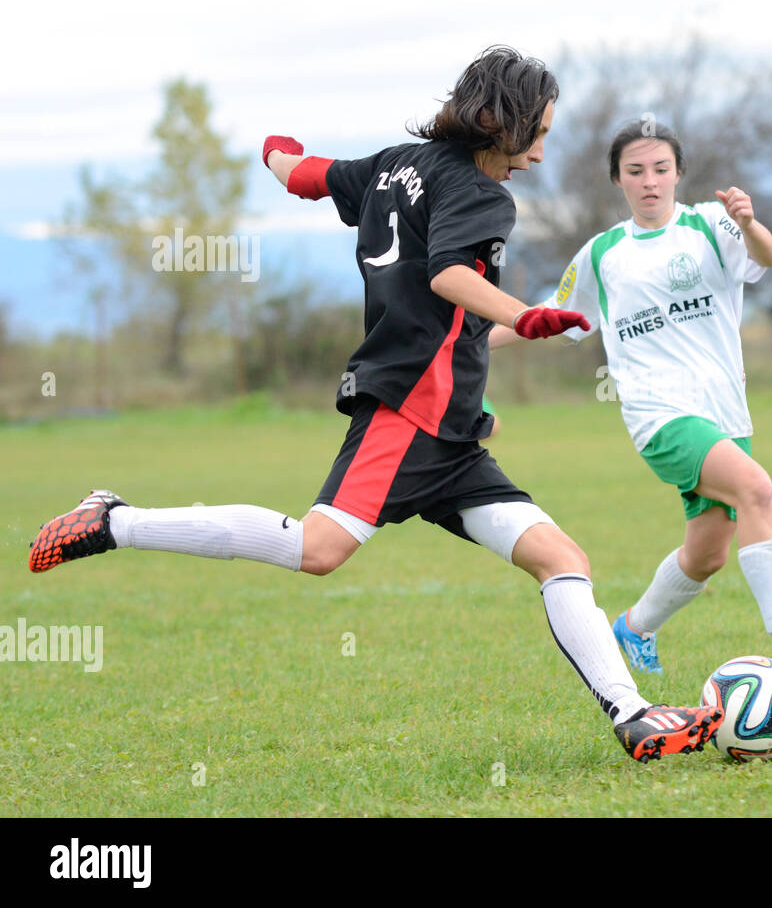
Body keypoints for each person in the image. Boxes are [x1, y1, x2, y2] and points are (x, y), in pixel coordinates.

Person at [27, 47, 721, 763]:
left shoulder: (393, 164)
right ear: (499, 123)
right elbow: (450, 275)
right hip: (405, 414)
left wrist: (275, 149)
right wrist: (528, 314)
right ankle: (115, 521)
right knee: (317, 548)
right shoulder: (483, 196)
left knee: (560, 555)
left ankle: (634, 718)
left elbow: (303, 175)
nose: (543, 149)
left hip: (448, 434)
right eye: (538, 131)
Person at [490, 121, 772, 673]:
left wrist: (748, 221)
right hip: (659, 414)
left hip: (723, 409)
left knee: (709, 552)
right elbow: (555, 315)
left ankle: (634, 627)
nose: (650, 181)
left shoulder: (712, 223)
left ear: (678, 174)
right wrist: (472, 344)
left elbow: (765, 259)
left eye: (661, 169)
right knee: (757, 490)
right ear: (618, 180)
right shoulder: (603, 253)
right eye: (636, 171)